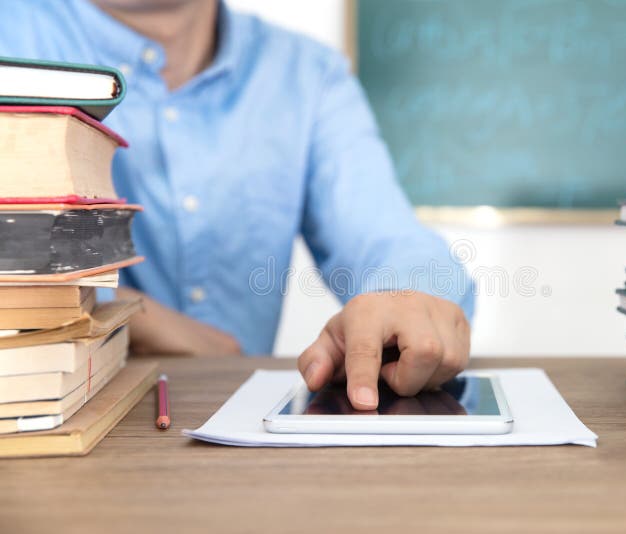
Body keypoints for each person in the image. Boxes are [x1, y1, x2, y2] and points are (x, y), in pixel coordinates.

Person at [0, 0, 474, 410]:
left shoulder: (308, 75)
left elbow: (389, 238)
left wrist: (407, 300)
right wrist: (121, 310)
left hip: (232, 465)